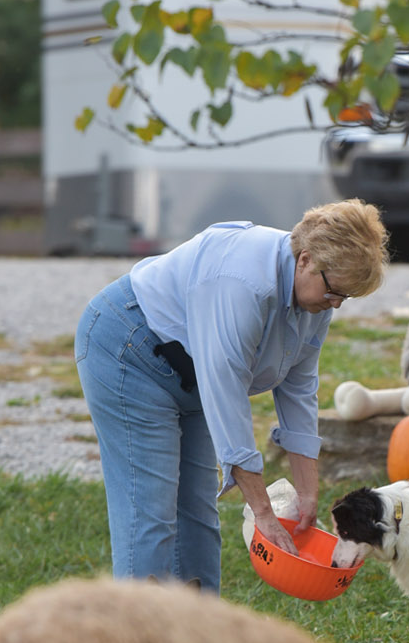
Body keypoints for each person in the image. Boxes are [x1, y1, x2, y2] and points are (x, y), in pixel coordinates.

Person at [75, 199, 389, 591]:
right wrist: (263, 512)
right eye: (334, 292)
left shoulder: (317, 298)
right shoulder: (243, 282)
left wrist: (308, 493)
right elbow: (226, 397)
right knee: (151, 512)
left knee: (198, 512)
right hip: (130, 351)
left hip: (190, 372)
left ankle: (205, 641)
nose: (336, 304)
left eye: (346, 297)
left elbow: (299, 387)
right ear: (306, 258)